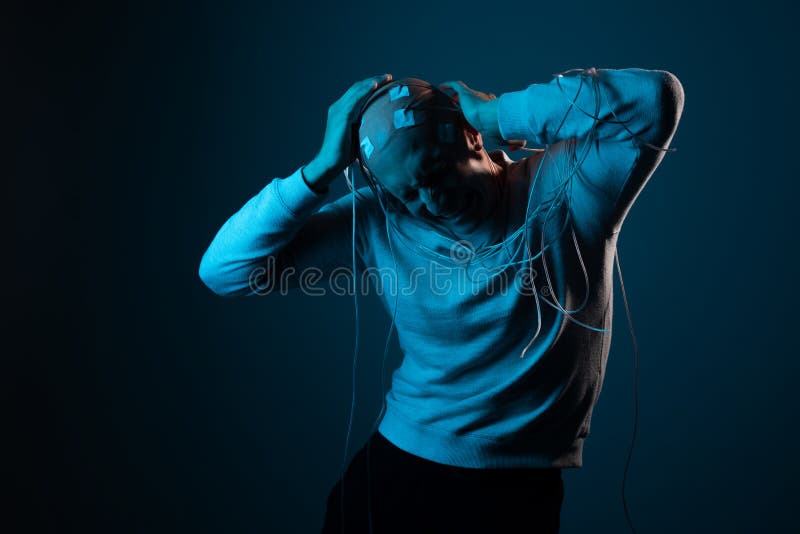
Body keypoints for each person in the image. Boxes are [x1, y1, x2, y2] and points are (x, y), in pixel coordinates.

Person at [198, 67, 685, 533]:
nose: (433, 202)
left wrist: (501, 116)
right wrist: (319, 170)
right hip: (397, 476)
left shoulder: (566, 188)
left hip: (518, 492)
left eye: (436, 171)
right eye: (409, 193)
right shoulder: (381, 220)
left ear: (471, 137)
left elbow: (654, 99)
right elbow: (224, 272)